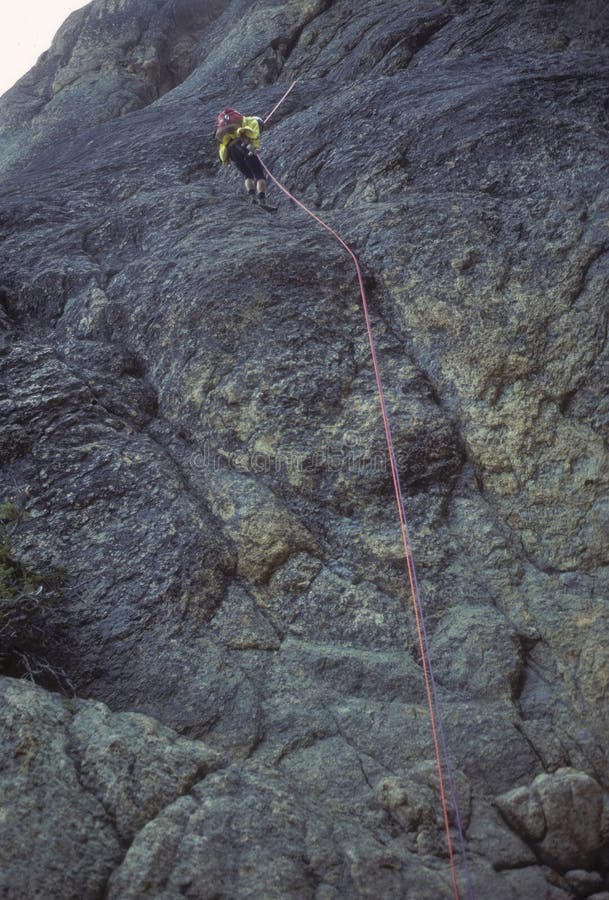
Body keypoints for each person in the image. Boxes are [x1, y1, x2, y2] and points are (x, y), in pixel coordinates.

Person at [215, 108, 277, 211]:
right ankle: (262, 202)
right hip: (244, 147)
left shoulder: (232, 125)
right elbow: (254, 136)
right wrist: (255, 149)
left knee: (247, 176)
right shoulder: (253, 122)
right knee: (259, 175)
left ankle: (252, 198)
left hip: (232, 151)